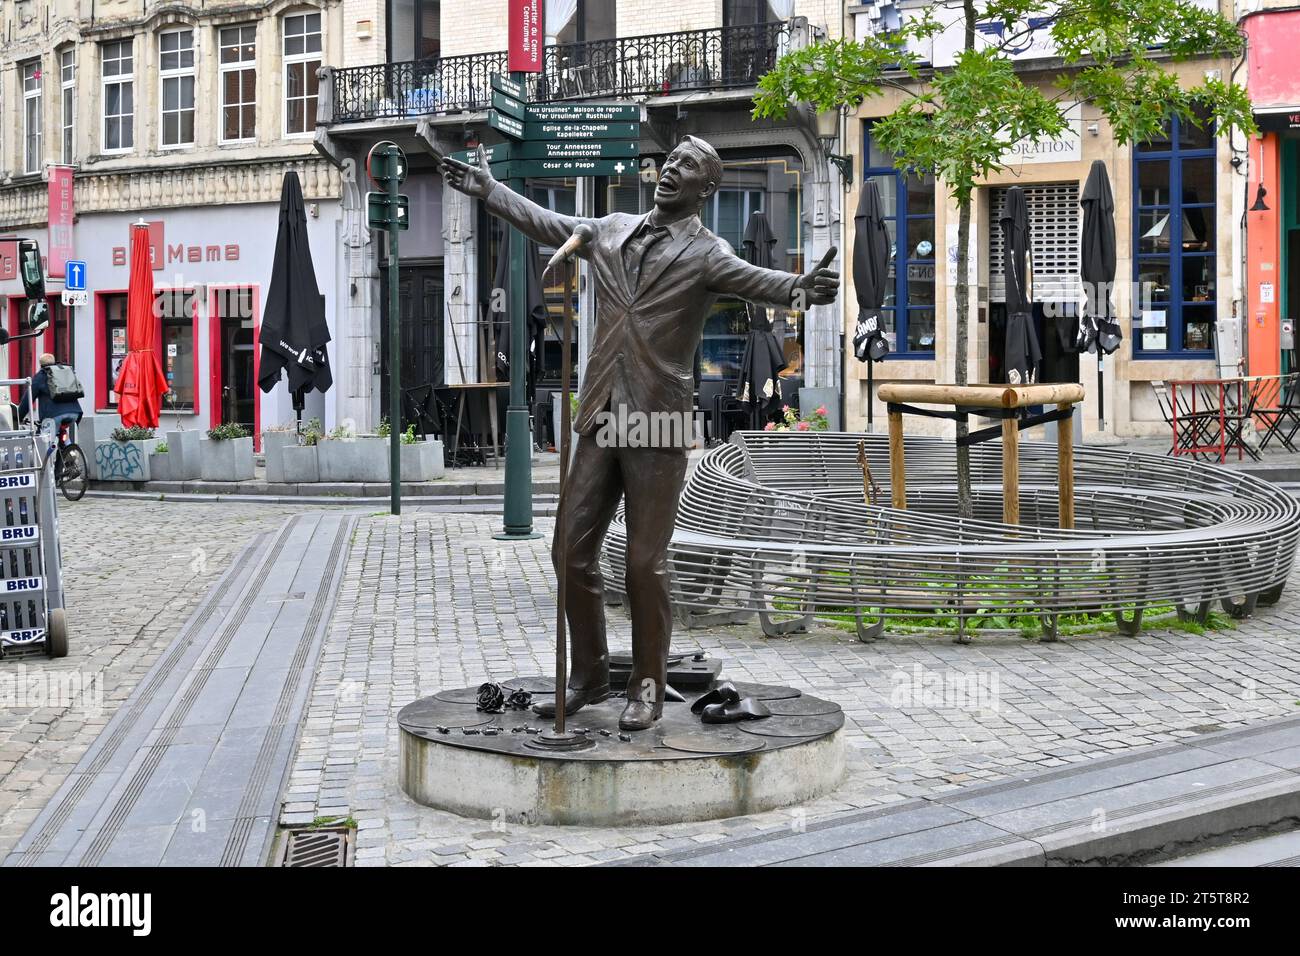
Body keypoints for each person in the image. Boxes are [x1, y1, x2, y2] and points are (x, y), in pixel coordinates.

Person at [439, 136, 839, 730]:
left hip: (659, 417)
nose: (671, 172)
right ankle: (589, 676)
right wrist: (491, 192)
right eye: (670, 161)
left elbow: (761, 280)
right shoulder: (610, 228)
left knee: (644, 563)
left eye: (688, 169)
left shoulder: (708, 253)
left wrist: (800, 289)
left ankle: (648, 682)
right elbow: (549, 223)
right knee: (569, 552)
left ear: (706, 190)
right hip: (600, 410)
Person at [18, 353, 83, 438]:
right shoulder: (64, 371)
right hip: (75, 412)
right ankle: (69, 449)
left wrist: (18, 417)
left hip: (54, 415)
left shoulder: (41, 376)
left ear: (40, 364)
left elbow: (28, 399)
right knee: (62, 437)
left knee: (45, 443)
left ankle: (50, 450)